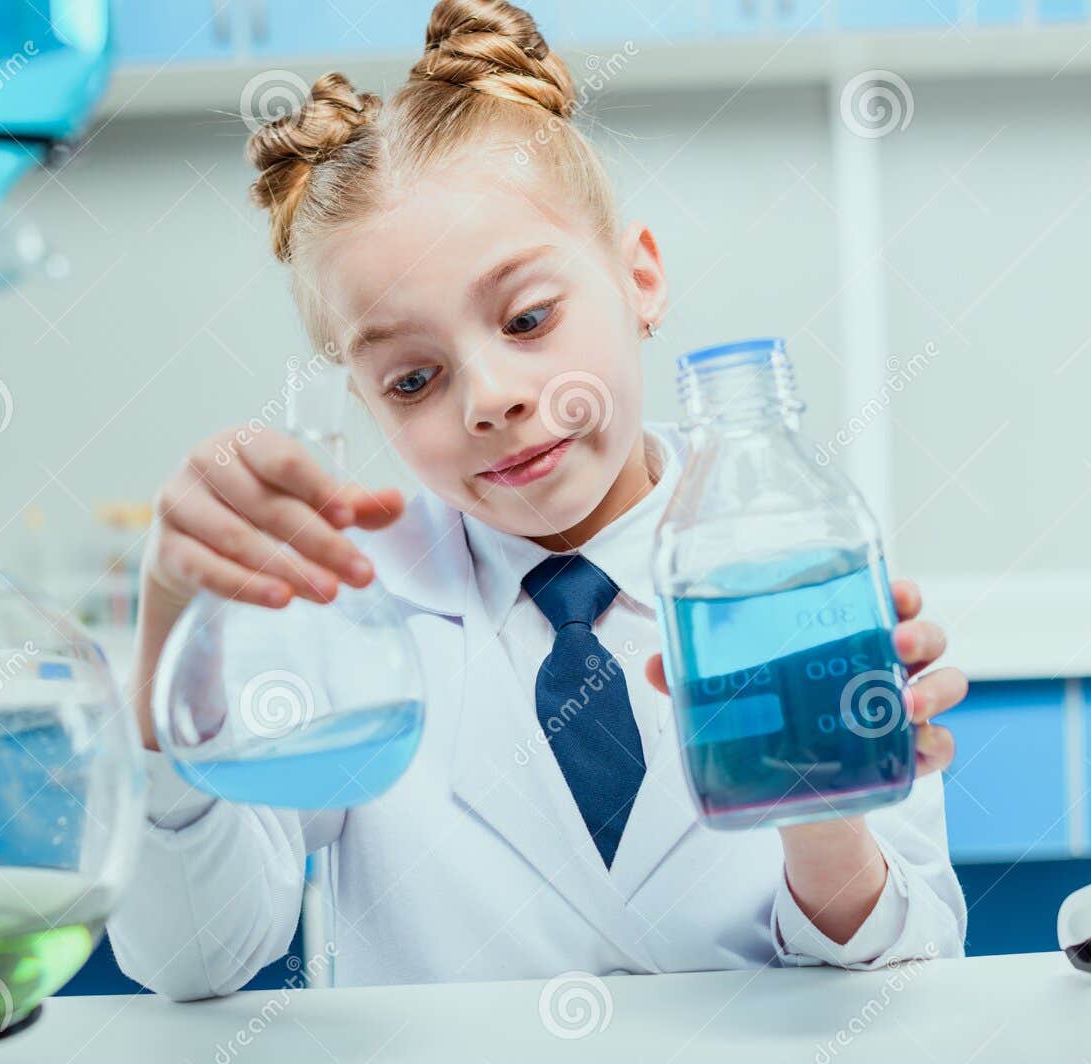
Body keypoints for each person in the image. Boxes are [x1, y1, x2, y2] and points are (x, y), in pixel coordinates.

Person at [108, 0, 968, 1000]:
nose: (491, 399)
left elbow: (909, 987)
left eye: (526, 318)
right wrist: (169, 640)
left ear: (638, 277)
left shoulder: (791, 557)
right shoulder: (349, 609)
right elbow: (191, 958)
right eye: (412, 380)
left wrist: (822, 817)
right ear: (365, 404)